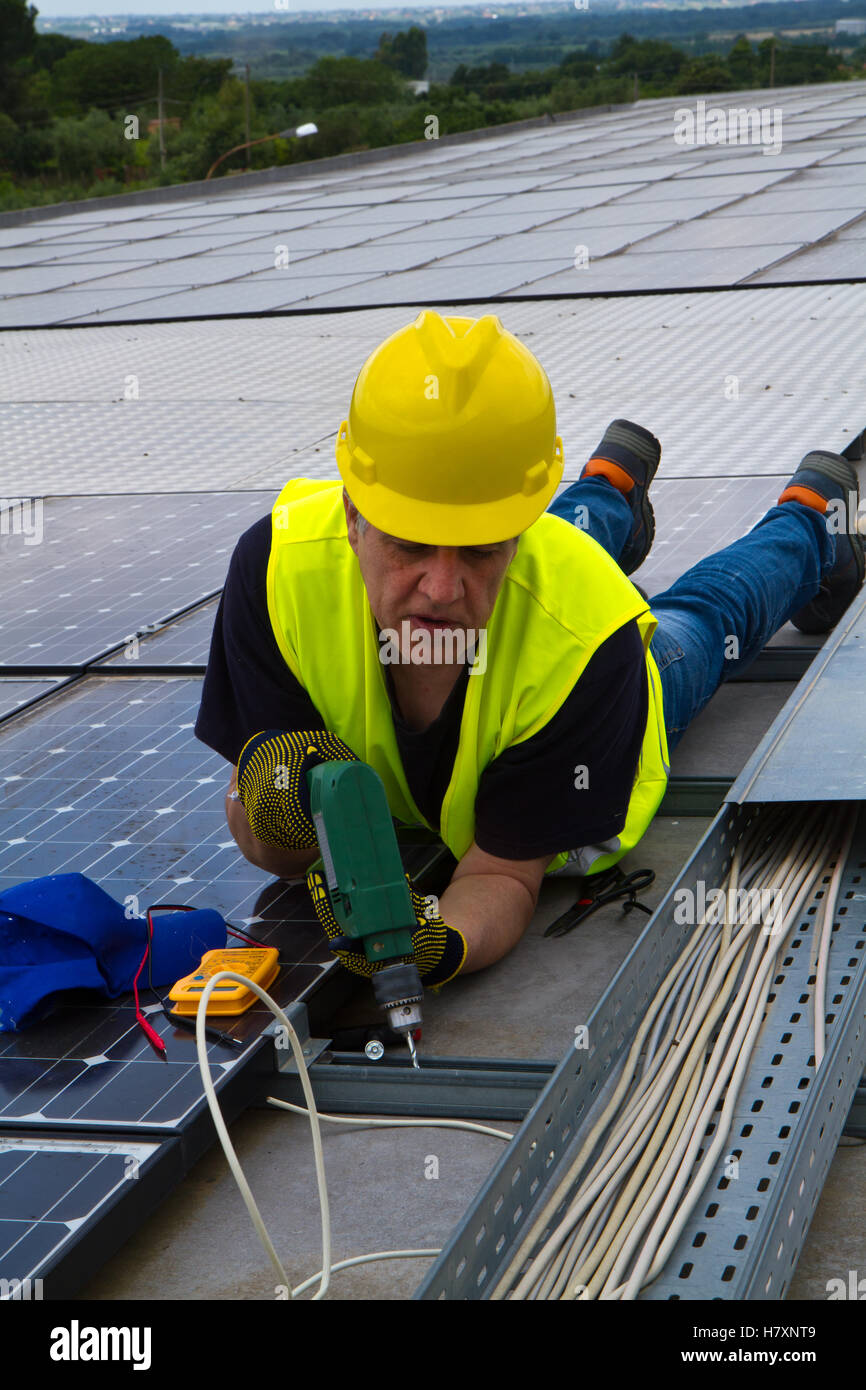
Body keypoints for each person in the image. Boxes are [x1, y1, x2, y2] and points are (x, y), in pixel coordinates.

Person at [195, 310, 863, 987]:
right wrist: (267, 807)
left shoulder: (588, 640)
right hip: (531, 575)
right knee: (548, 548)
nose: (442, 587)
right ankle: (612, 488)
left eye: (483, 548)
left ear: (518, 534)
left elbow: (500, 874)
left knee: (698, 619)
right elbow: (271, 849)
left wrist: (444, 947)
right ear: (352, 518)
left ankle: (808, 520)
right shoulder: (277, 573)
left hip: (613, 695)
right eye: (410, 545)